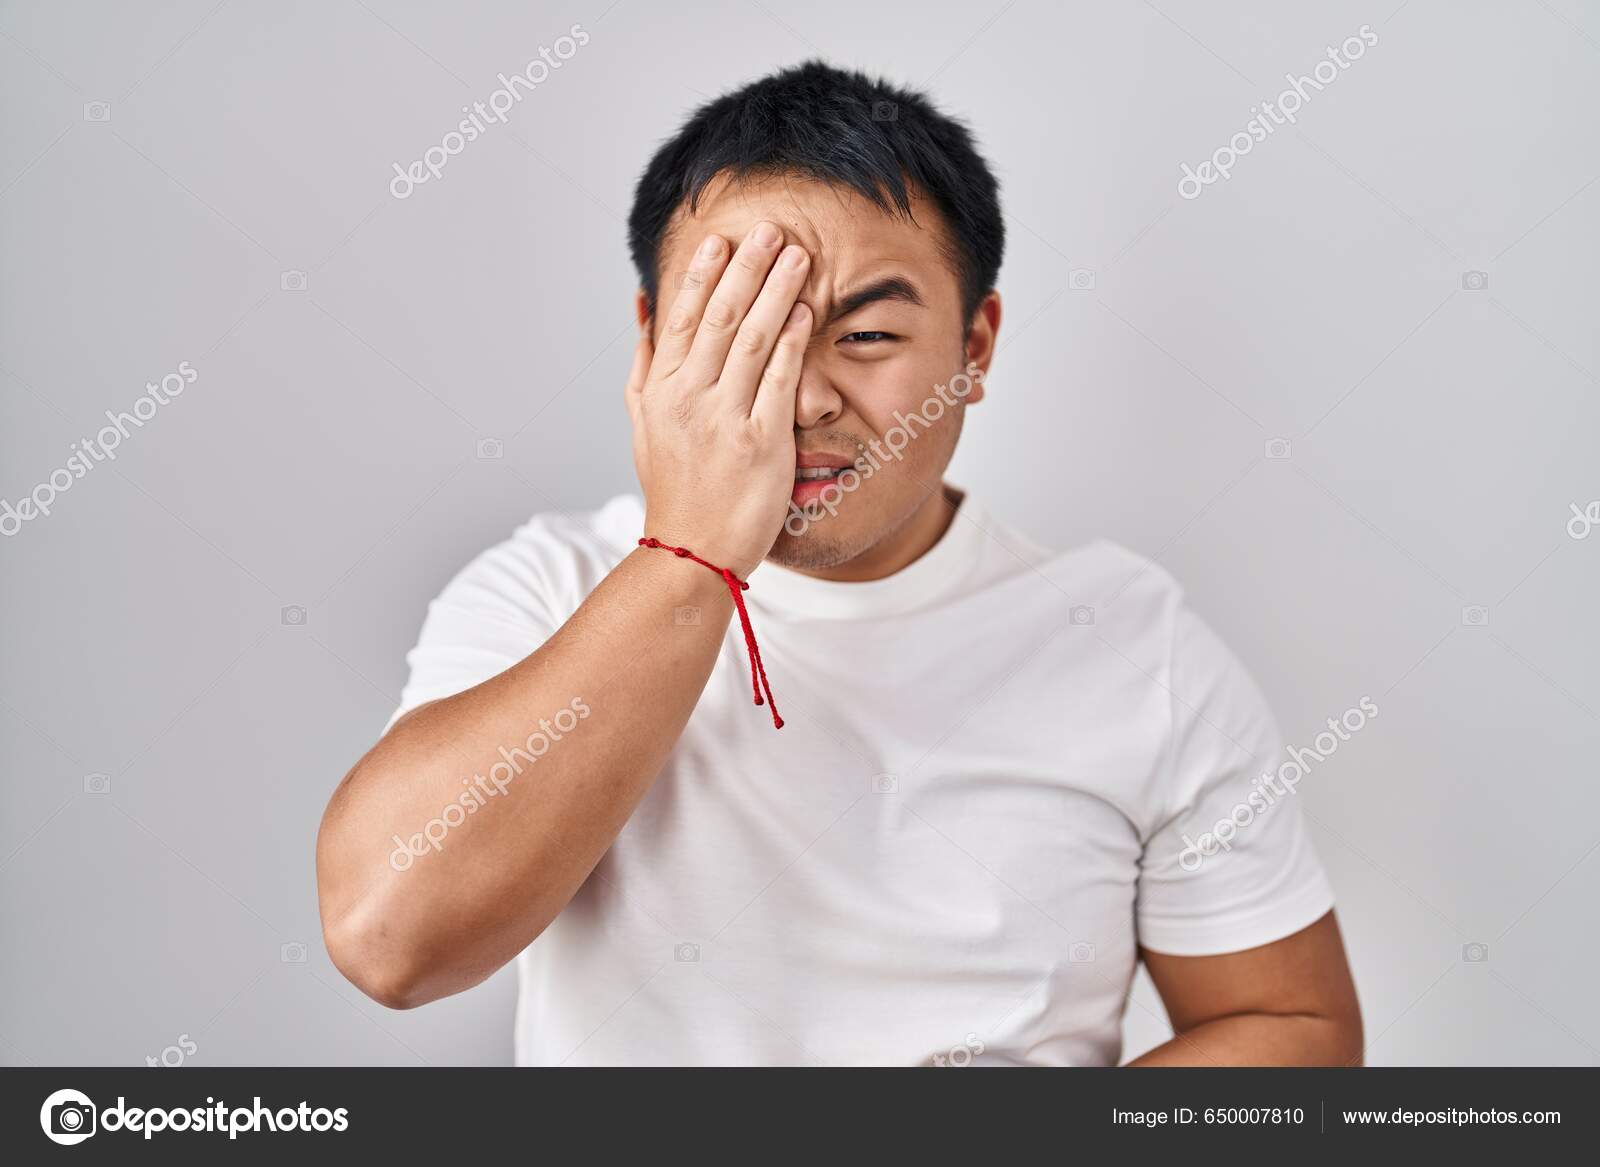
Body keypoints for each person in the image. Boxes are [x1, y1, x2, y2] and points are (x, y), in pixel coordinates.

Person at [316, 60, 1361, 1066]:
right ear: (651, 342)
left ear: (975, 346)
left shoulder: (1130, 642)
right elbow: (390, 942)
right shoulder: (545, 586)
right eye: (738, 334)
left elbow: (1292, 1024)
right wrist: (693, 552)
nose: (804, 399)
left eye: (864, 337)